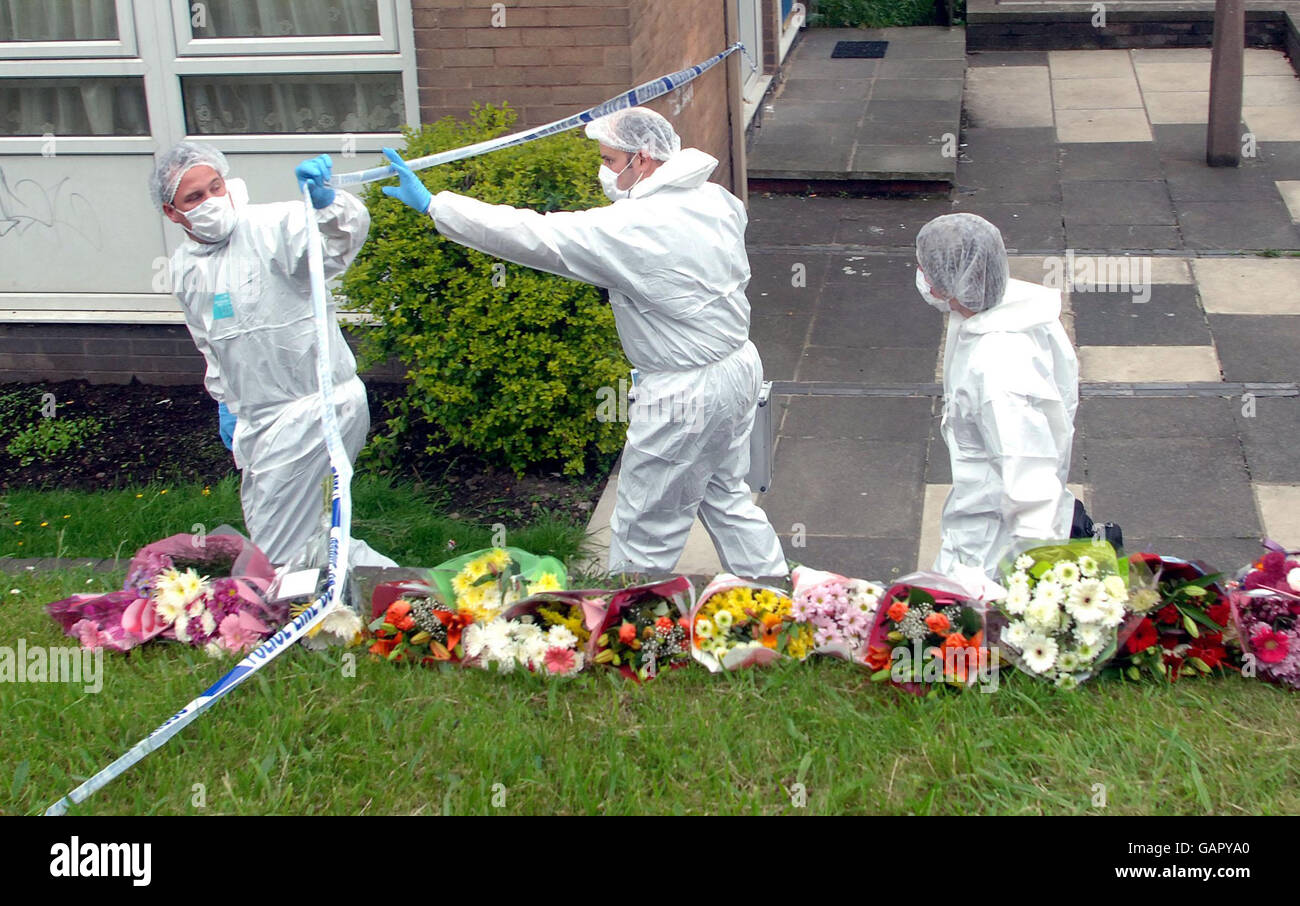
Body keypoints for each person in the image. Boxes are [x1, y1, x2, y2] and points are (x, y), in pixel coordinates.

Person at [379, 107, 788, 578]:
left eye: (611, 160)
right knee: (725, 492)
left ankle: (634, 626)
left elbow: (535, 235)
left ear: (643, 158)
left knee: (645, 524)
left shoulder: (632, 228)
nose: (606, 171)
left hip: (683, 393)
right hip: (738, 368)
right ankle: (780, 598)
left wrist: (437, 206)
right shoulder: (716, 200)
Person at [150, 140, 396, 568]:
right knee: (308, 536)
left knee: (278, 549)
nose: (210, 201)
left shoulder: (272, 226)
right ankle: (392, 600)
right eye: (194, 197)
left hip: (316, 403)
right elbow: (210, 341)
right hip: (261, 419)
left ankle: (371, 599)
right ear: (172, 212)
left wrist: (329, 204)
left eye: (215, 187)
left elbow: (338, 241)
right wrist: (227, 403)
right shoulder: (184, 267)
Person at [915, 213, 1080, 578]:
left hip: (992, 550)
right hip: (981, 520)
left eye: (926, 270)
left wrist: (1036, 585)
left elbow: (1031, 484)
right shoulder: (1008, 310)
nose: (922, 277)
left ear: (951, 283)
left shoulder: (998, 372)